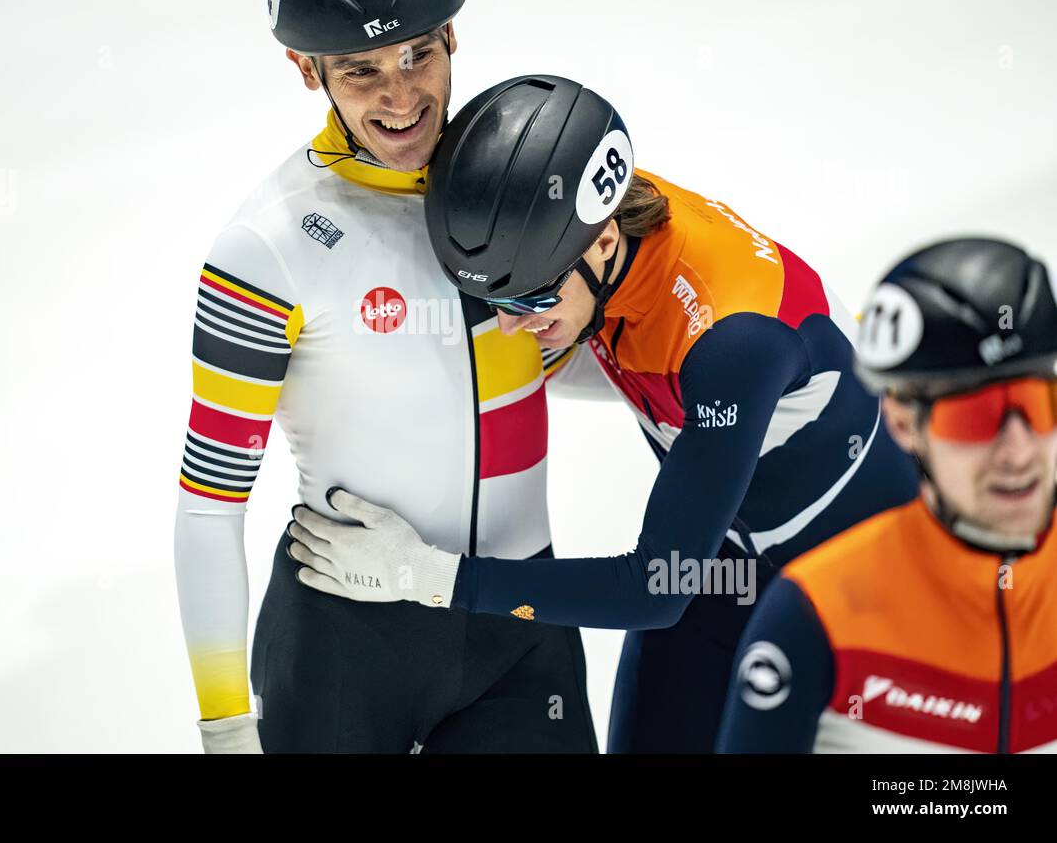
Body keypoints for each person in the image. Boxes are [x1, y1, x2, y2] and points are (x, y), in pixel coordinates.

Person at [286, 74, 922, 752]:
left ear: (605, 244)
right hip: (727, 566)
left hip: (871, 601)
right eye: (492, 302)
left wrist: (430, 576)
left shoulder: (733, 341)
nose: (508, 327)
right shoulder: (577, 217)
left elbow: (652, 589)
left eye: (528, 300)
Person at [176, 0, 607, 754]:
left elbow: (559, 358)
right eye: (361, 69)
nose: (400, 94)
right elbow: (207, 507)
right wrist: (226, 724)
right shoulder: (269, 246)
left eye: (418, 53)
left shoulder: (520, 186)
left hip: (523, 623)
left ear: (452, 37)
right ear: (306, 70)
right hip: (348, 649)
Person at [717, 237, 1057, 753]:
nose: (1017, 452)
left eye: (1038, 405)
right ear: (903, 423)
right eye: (974, 418)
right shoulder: (816, 610)